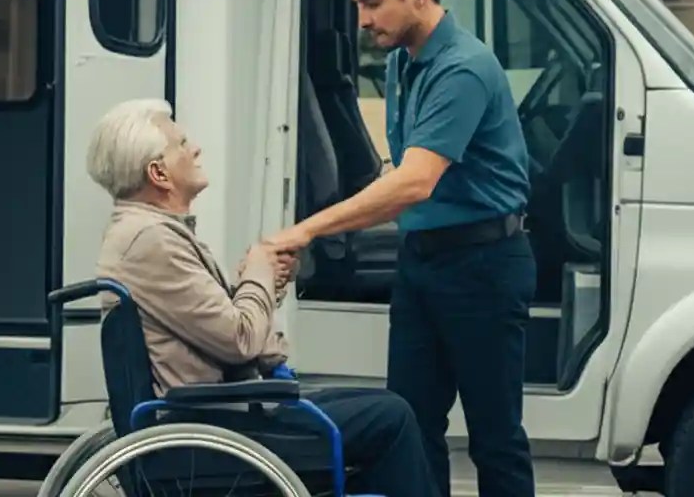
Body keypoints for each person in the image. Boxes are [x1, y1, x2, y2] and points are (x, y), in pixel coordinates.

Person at [263, 0, 536, 497]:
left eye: (371, 4)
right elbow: (406, 169)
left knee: (495, 437)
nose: (363, 20)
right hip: (422, 264)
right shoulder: (402, 63)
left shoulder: (462, 68)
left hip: (482, 265)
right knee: (409, 425)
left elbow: (415, 181)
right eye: (359, 6)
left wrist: (305, 230)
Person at [87, 98, 439, 497]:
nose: (196, 148)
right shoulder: (150, 240)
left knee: (382, 408)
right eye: (182, 143)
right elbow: (240, 339)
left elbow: (219, 327)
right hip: (209, 425)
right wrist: (258, 267)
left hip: (211, 414)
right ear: (159, 173)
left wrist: (264, 284)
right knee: (391, 418)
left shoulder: (147, 234)